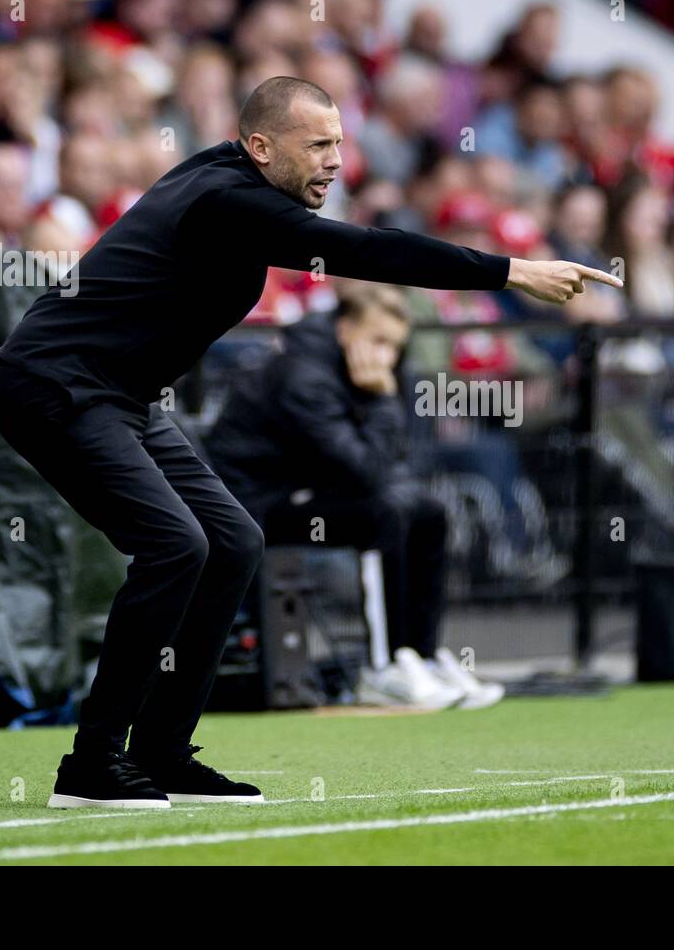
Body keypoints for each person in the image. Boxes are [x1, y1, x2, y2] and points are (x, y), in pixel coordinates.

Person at [0, 76, 620, 809]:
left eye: (340, 145)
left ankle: (161, 751)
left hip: (121, 395)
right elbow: (366, 249)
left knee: (234, 542)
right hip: (54, 384)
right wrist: (512, 270)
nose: (333, 162)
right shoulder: (228, 199)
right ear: (260, 147)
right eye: (317, 145)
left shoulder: (234, 180)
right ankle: (92, 761)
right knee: (175, 546)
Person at [206, 285, 505, 710]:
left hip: (317, 491)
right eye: (378, 341)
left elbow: (398, 458)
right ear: (345, 330)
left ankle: (419, 657)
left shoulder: (376, 368)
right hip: (256, 505)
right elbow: (367, 471)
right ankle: (381, 669)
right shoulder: (304, 377)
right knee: (384, 513)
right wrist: (382, 400)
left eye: (395, 346)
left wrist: (384, 403)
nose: (387, 355)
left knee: (428, 511)